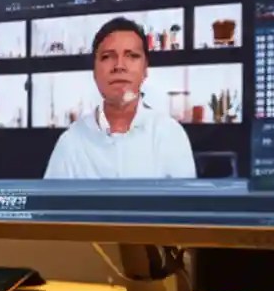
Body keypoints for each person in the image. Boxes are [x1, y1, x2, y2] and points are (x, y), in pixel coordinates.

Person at [44, 17, 197, 179]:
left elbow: (185, 204)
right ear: (94, 72)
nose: (119, 66)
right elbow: (50, 203)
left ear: (145, 70)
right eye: (107, 57)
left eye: (131, 56)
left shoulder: (170, 135)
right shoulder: (71, 142)